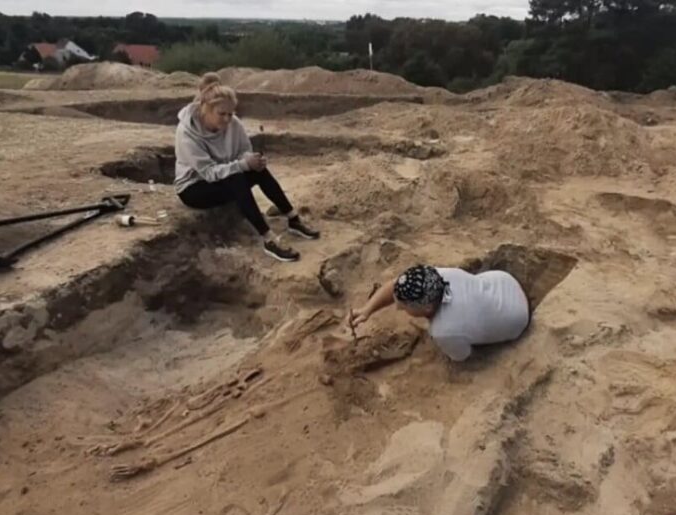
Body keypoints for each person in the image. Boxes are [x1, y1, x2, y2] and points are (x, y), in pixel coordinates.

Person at [174, 73, 319, 262]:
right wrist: (242, 164)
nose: (227, 119)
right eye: (222, 114)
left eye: (230, 114)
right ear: (205, 109)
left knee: (256, 169)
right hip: (195, 187)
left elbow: (244, 150)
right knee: (236, 177)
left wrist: (251, 160)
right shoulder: (187, 134)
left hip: (224, 176)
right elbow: (209, 173)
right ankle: (268, 239)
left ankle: (293, 218)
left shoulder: (233, 123)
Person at [350, 265, 530, 361]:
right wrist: (367, 310)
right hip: (505, 283)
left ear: (427, 308)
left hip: (516, 319)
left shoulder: (445, 331)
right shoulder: (439, 276)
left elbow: (463, 357)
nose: (398, 308)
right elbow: (395, 284)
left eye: (405, 307)